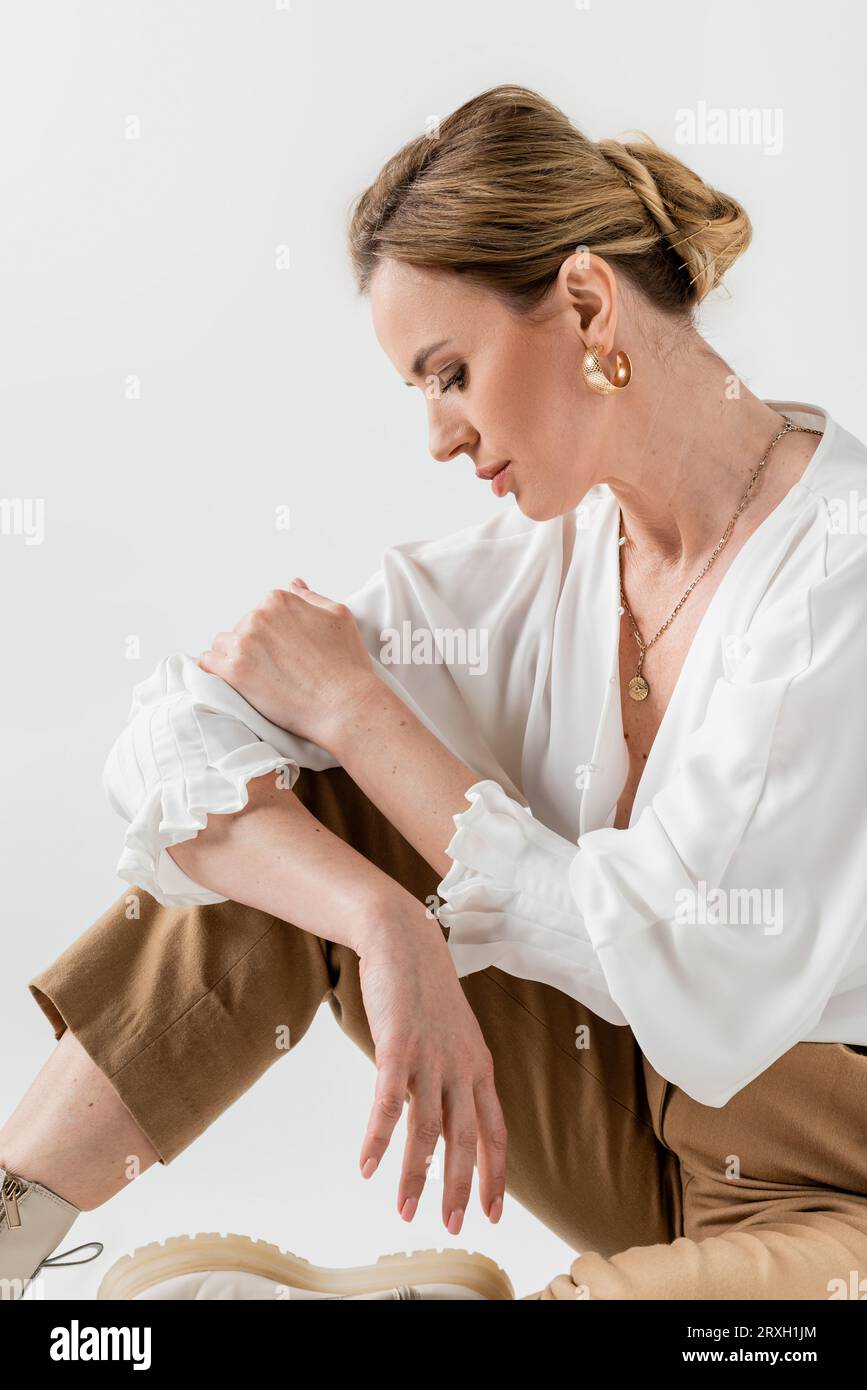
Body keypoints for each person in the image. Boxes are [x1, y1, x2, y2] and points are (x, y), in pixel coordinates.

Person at [2, 84, 866, 1303]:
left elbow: (701, 965)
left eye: (449, 372)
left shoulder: (839, 569)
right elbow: (177, 747)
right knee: (304, 798)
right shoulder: (541, 567)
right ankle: (10, 1222)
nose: (440, 439)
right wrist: (381, 918)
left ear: (582, 301)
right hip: (635, 1125)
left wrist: (368, 712)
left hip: (839, 1180)